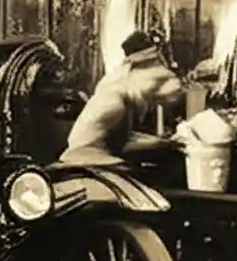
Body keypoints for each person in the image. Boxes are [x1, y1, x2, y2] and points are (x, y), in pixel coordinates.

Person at [60, 30, 185, 166]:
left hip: (97, 155)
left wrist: (163, 142)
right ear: (134, 71)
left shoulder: (121, 91)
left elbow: (125, 137)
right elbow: (120, 146)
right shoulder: (115, 103)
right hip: (86, 159)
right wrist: (165, 144)